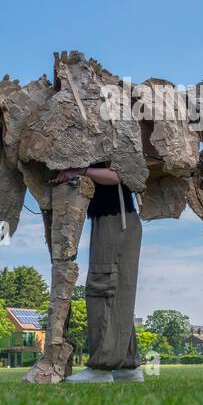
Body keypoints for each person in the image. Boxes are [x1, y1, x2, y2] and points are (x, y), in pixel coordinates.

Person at [52, 164, 144, 383]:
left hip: (116, 221)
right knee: (118, 296)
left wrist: (77, 172)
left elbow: (117, 175)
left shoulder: (110, 141)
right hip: (110, 221)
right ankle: (128, 366)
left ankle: (101, 368)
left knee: (103, 288)